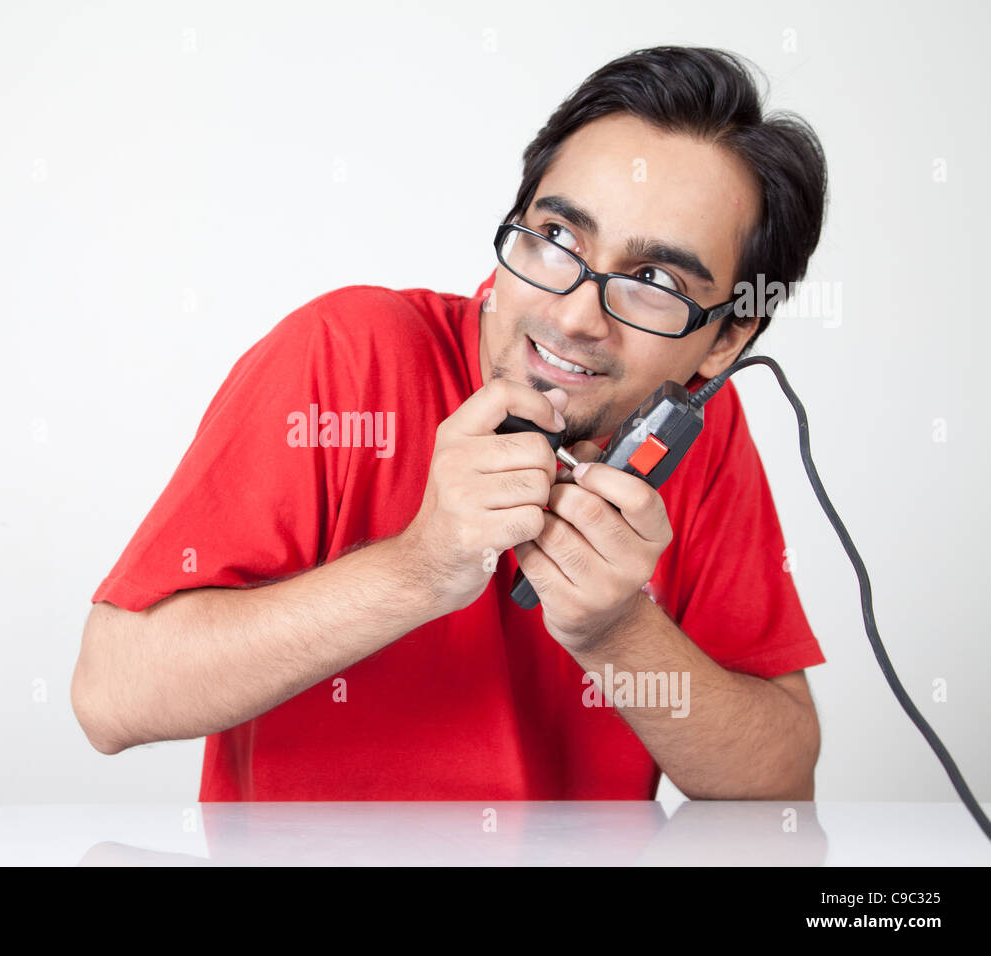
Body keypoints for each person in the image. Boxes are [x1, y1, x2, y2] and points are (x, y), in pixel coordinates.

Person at [72, 45, 828, 801]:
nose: (572, 315)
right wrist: (420, 568)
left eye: (654, 282)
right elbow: (109, 697)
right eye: (559, 239)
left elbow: (778, 781)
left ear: (725, 340)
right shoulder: (345, 354)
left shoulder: (695, 430)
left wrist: (617, 635)